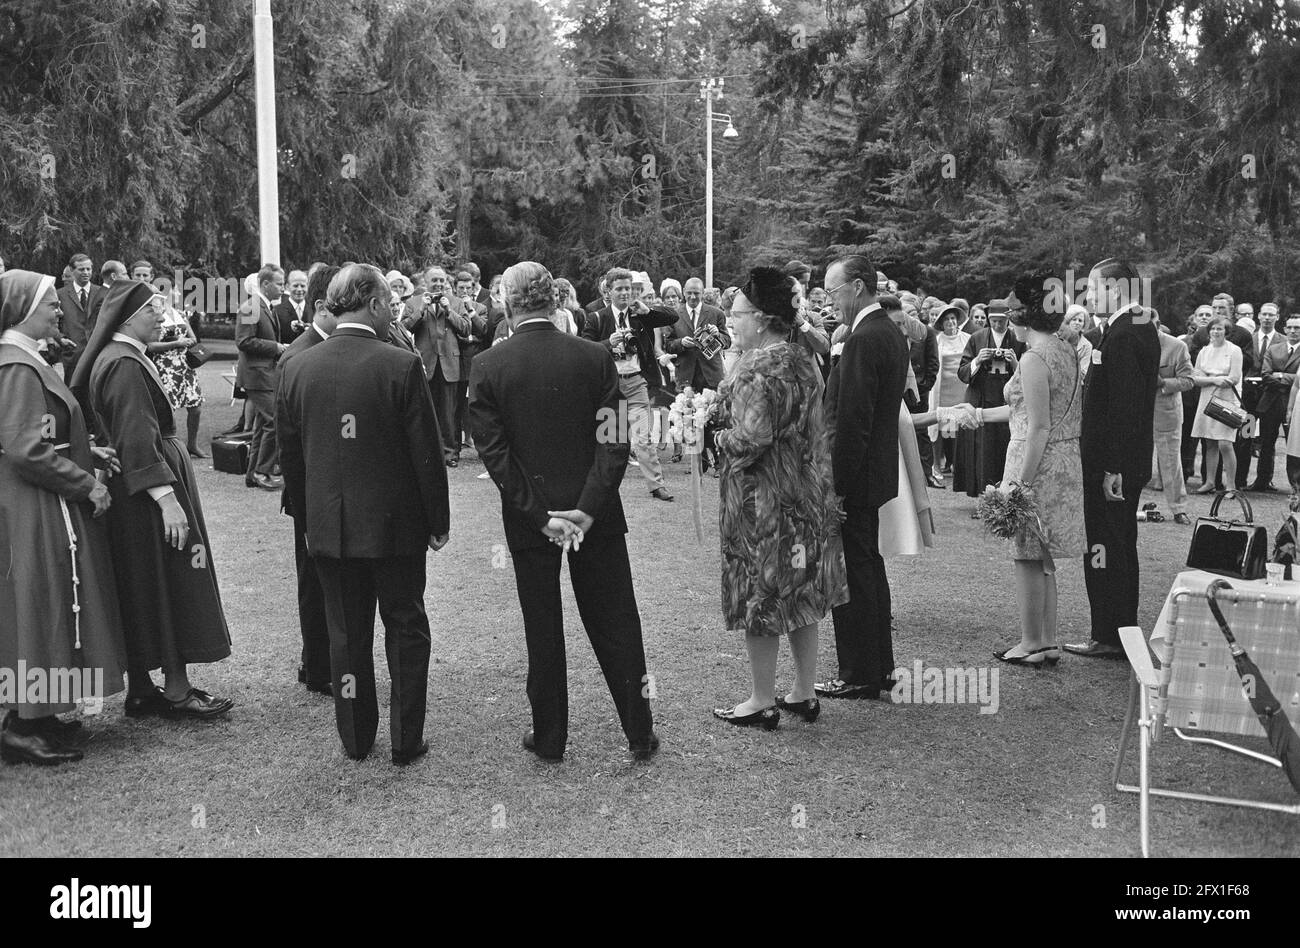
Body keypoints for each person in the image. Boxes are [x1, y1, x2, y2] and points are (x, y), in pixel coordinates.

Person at [468, 261, 658, 762]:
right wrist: (587, 509)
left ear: (509, 304)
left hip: (537, 517)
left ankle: (550, 736)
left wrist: (542, 515)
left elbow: (496, 454)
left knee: (542, 623)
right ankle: (639, 730)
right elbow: (614, 440)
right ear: (553, 300)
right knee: (616, 618)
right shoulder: (593, 358)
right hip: (590, 513)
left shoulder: (490, 365)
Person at [277, 264, 450, 764]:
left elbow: (292, 460)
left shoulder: (297, 365)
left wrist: (311, 521)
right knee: (405, 625)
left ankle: (355, 738)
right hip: (394, 527)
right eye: (388, 304)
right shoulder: (399, 365)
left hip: (329, 528)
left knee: (347, 634)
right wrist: (438, 521)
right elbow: (426, 454)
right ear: (374, 303)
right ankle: (404, 738)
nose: (393, 311)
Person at [71, 280, 235, 716]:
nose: (161, 317)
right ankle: (178, 691)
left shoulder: (115, 356)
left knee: (139, 582)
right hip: (147, 490)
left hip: (131, 490)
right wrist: (167, 500)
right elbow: (136, 436)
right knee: (168, 578)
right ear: (127, 318)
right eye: (152, 310)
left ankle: (142, 689)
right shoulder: (124, 363)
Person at [710, 267, 847, 729]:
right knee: (802, 589)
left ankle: (760, 699)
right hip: (806, 496)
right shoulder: (805, 360)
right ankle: (803, 692)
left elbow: (751, 439)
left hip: (763, 502)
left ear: (764, 318)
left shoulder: (755, 366)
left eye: (739, 314)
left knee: (760, 594)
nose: (733, 321)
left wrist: (713, 434)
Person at [0, 270, 126, 765]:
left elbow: (39, 433)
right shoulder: (16, 366)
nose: (59, 310)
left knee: (47, 602)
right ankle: (21, 724)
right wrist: (86, 482)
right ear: (24, 310)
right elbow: (26, 449)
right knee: (36, 605)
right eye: (51, 304)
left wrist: (85, 448)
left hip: (39, 501)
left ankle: (42, 713)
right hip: (32, 505)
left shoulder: (25, 360)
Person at [968, 275, 1084, 665]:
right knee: (1043, 556)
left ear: (1021, 317)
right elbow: (1033, 414)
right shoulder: (1065, 348)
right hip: (1065, 457)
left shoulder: (1035, 357)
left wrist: (1019, 484)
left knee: (1028, 554)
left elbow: (1038, 427)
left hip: (1038, 459)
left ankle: (1032, 641)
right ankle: (1047, 640)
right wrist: (980, 415)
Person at [815, 255, 908, 700]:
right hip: (875, 472)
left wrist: (837, 484)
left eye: (832, 291)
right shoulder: (887, 331)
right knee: (870, 568)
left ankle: (859, 672)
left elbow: (852, 421)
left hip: (857, 475)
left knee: (856, 572)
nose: (829, 300)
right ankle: (878, 666)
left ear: (856, 287)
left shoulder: (864, 338)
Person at [1065, 258, 1160, 660]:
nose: (1087, 296)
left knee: (1106, 545)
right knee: (1119, 544)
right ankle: (1119, 630)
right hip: (1118, 460)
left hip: (1113, 464)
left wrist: (1113, 468)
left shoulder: (1126, 333)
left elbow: (1124, 407)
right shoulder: (1133, 326)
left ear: (1116, 289)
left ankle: (1108, 633)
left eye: (1093, 287)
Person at [276, 264, 340, 696]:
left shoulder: (326, 348)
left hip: (324, 489)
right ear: (322, 306)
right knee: (314, 581)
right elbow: (290, 442)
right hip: (312, 491)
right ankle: (317, 666)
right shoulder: (299, 355)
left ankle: (319, 661)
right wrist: (303, 501)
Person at [581, 267, 678, 501]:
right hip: (609, 385)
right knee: (610, 438)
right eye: (620, 289)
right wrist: (607, 343)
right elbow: (584, 349)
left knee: (643, 437)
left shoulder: (640, 314)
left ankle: (656, 485)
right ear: (609, 290)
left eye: (628, 288)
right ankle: (604, 486)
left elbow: (672, 317)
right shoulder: (597, 317)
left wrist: (647, 310)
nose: (625, 293)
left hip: (636, 382)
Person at [953, 299, 1026, 507]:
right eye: (993, 321)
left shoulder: (1017, 340)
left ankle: (1006, 497)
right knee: (982, 449)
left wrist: (1015, 363)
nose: (997, 325)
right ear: (988, 320)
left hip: (1006, 401)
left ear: (1008, 320)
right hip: (982, 397)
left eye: (1002, 321)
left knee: (1005, 448)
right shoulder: (977, 338)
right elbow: (962, 372)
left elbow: (1027, 376)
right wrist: (977, 360)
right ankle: (983, 499)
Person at [403, 266, 472, 467]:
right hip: (426, 363)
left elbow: (467, 328)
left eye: (442, 281)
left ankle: (451, 454)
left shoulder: (456, 302)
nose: (439, 284)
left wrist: (449, 311)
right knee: (427, 411)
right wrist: (421, 310)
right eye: (434, 280)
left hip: (450, 363)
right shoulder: (413, 303)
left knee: (450, 412)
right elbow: (405, 328)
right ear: (425, 281)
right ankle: (429, 454)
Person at [236, 264, 287, 490]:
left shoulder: (264, 307)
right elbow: (244, 341)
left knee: (262, 425)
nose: (283, 288)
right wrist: (276, 347)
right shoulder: (251, 307)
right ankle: (261, 471)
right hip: (258, 375)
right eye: (279, 283)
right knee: (274, 422)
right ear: (265, 284)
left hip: (264, 374)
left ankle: (253, 473)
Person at [145, 276, 206, 459]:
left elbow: (194, 338)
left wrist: (187, 341)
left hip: (185, 366)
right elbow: (151, 346)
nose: (173, 292)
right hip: (165, 366)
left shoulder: (179, 313)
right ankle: (167, 447)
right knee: (167, 408)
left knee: (195, 406)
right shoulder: (153, 314)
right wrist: (175, 343)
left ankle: (192, 444)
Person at [1146, 310, 1194, 523]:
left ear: (1159, 325)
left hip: (1166, 413)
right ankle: (1127, 505)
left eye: (1152, 326)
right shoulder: (1131, 343)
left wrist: (1164, 383)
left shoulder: (1177, 346)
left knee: (1171, 463)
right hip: (1136, 413)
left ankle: (1178, 508)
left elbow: (1189, 380)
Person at [1190, 315, 1244, 494]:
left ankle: (1231, 486)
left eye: (1219, 329)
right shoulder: (1204, 351)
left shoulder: (1235, 350)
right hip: (1206, 399)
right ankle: (1210, 481)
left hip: (1227, 400)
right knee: (1209, 442)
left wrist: (1212, 379)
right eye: (1213, 328)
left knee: (1225, 444)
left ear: (1226, 331)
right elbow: (1195, 378)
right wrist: (1216, 379)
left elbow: (1234, 377)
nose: (1216, 332)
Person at [1252, 308, 1297, 493]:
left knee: (1294, 444)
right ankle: (1262, 481)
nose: (1294, 331)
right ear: (1285, 329)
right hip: (1269, 403)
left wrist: (1281, 376)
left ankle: (1296, 484)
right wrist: (1289, 378)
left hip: (1293, 403)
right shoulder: (1273, 349)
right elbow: (1265, 375)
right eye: (1291, 327)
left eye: (1298, 328)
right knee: (1266, 443)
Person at [928, 306, 970, 481]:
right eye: (946, 320)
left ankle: (957, 465)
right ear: (941, 323)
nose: (951, 322)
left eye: (953, 318)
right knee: (941, 428)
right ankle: (936, 464)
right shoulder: (937, 341)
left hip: (962, 389)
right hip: (942, 390)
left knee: (960, 429)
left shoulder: (967, 339)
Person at [55, 254, 106, 382]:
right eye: (81, 269)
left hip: (97, 354)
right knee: (73, 395)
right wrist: (60, 339)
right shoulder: (60, 294)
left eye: (89, 269)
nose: (86, 272)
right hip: (72, 355)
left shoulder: (102, 293)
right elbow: (52, 322)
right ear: (72, 270)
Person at [1060, 304, 1093, 379]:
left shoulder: (1087, 346)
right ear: (1068, 321)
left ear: (1083, 325)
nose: (1077, 323)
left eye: (1080, 320)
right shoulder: (1058, 339)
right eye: (1074, 319)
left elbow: (1083, 373)